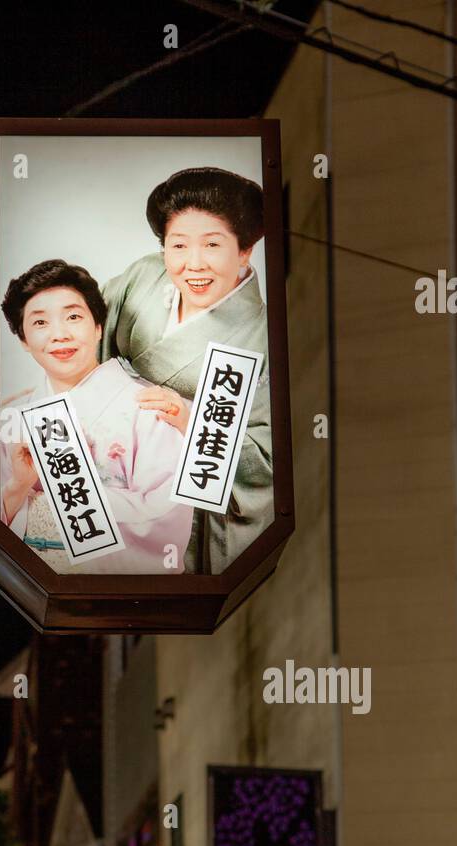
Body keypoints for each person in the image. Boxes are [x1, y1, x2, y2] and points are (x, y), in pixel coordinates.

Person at [99, 166, 274, 574]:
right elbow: (87, 343)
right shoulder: (143, 276)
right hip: (104, 466)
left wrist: (190, 418)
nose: (193, 264)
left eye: (212, 245)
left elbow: (263, 465)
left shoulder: (259, 337)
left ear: (245, 249)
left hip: (177, 511)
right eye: (178, 246)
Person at [0, 259, 192, 574]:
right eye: (40, 323)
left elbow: (166, 514)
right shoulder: (12, 418)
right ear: (22, 339)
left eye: (73, 317)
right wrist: (19, 486)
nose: (59, 335)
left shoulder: (147, 405)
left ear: (98, 326)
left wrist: (50, 506)